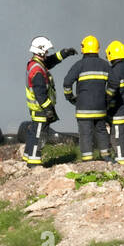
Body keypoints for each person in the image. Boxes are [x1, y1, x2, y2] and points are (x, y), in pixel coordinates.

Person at [23, 36, 77, 166]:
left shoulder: (37, 63)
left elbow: (52, 61)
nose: (47, 53)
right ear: (41, 51)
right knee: (39, 134)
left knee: (34, 131)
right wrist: (48, 109)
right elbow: (40, 94)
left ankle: (27, 156)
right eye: (46, 51)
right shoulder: (37, 70)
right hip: (41, 109)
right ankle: (33, 162)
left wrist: (64, 53)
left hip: (38, 108)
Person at [63, 36, 111, 162]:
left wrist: (70, 97)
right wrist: (108, 99)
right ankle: (106, 156)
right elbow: (114, 84)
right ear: (97, 49)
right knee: (101, 131)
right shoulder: (105, 65)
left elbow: (67, 82)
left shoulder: (79, 65)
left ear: (83, 48)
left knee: (85, 133)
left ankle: (88, 161)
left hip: (83, 108)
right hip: (101, 108)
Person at [105, 40, 124, 166]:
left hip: (118, 112)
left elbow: (112, 94)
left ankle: (122, 164)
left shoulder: (114, 72)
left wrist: (107, 108)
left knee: (117, 138)